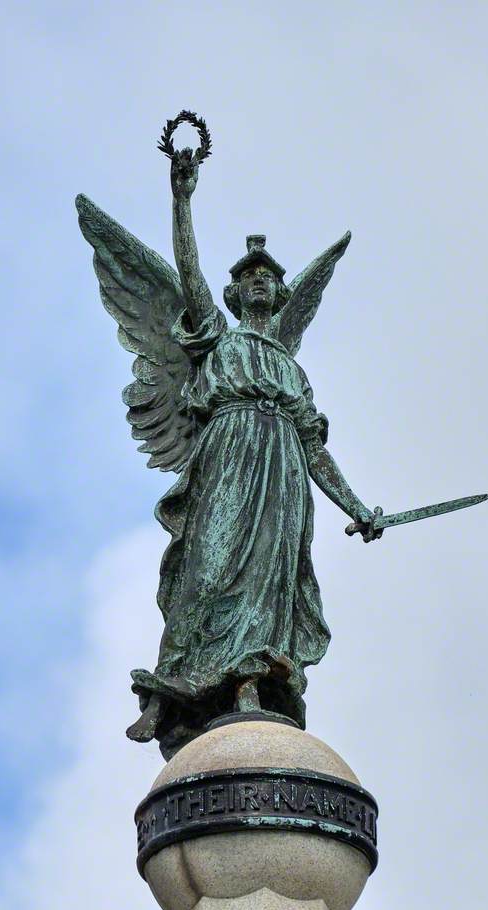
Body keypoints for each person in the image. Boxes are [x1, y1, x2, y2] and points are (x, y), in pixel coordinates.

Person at [126, 150, 380, 755]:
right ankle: (181, 684)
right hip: (231, 454)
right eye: (247, 275)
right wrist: (181, 200)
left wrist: (356, 507)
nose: (259, 279)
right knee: (209, 571)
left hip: (284, 470)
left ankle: (251, 685)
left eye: (268, 274)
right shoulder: (216, 336)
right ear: (234, 292)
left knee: (272, 581)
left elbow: (314, 450)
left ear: (282, 290)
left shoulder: (292, 370)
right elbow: (187, 275)